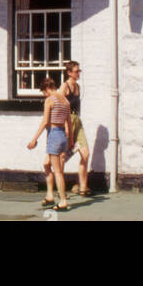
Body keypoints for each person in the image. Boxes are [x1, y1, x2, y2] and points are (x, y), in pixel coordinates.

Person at [27, 77, 73, 210]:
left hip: (54, 135)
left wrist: (34, 138)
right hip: (63, 135)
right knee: (47, 164)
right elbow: (69, 122)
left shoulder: (49, 100)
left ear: (46, 89)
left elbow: (45, 121)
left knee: (58, 171)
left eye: (43, 93)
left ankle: (63, 200)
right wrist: (70, 140)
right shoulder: (65, 101)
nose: (44, 96)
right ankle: (50, 196)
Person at [62, 60, 91, 196]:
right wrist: (66, 127)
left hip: (77, 120)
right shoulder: (64, 87)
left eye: (79, 71)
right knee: (62, 156)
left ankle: (83, 187)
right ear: (69, 73)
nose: (78, 73)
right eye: (76, 71)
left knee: (85, 153)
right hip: (67, 121)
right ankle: (60, 189)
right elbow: (58, 105)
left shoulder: (78, 87)